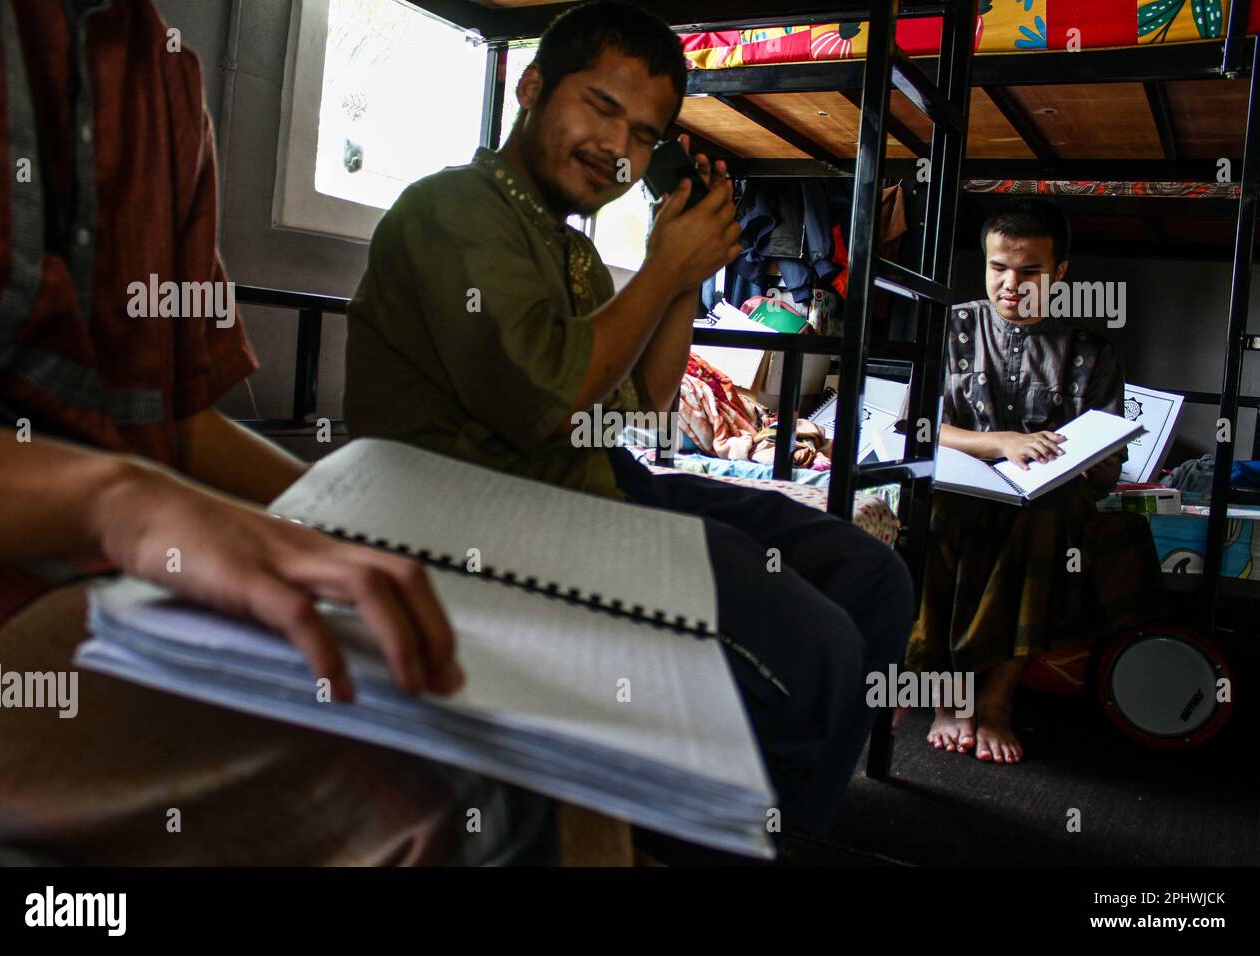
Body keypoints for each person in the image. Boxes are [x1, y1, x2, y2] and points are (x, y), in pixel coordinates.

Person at [0, 0, 543, 866]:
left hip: (125, 572)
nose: (620, 148)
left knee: (523, 700)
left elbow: (173, 420)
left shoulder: (164, 74)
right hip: (10, 595)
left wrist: (359, 531)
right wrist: (122, 502)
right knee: (455, 786)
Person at [344, 0, 914, 850]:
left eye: (644, 136)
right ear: (532, 86)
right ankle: (708, 837)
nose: (618, 149)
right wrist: (659, 269)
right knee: (818, 650)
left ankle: (742, 800)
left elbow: (643, 404)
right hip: (484, 515)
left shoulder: (567, 245)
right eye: (600, 108)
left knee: (872, 579)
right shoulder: (454, 210)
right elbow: (550, 398)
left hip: (597, 483)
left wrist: (687, 269)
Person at [906, 198, 1164, 764]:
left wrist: (1074, 457)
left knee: (1044, 524)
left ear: (1061, 273)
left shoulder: (1093, 351)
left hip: (1048, 497)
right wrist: (999, 442)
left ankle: (996, 700)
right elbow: (920, 427)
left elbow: (1105, 472)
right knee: (942, 513)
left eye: (1030, 271)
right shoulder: (953, 325)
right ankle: (948, 694)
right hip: (962, 480)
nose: (1010, 284)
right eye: (999, 267)